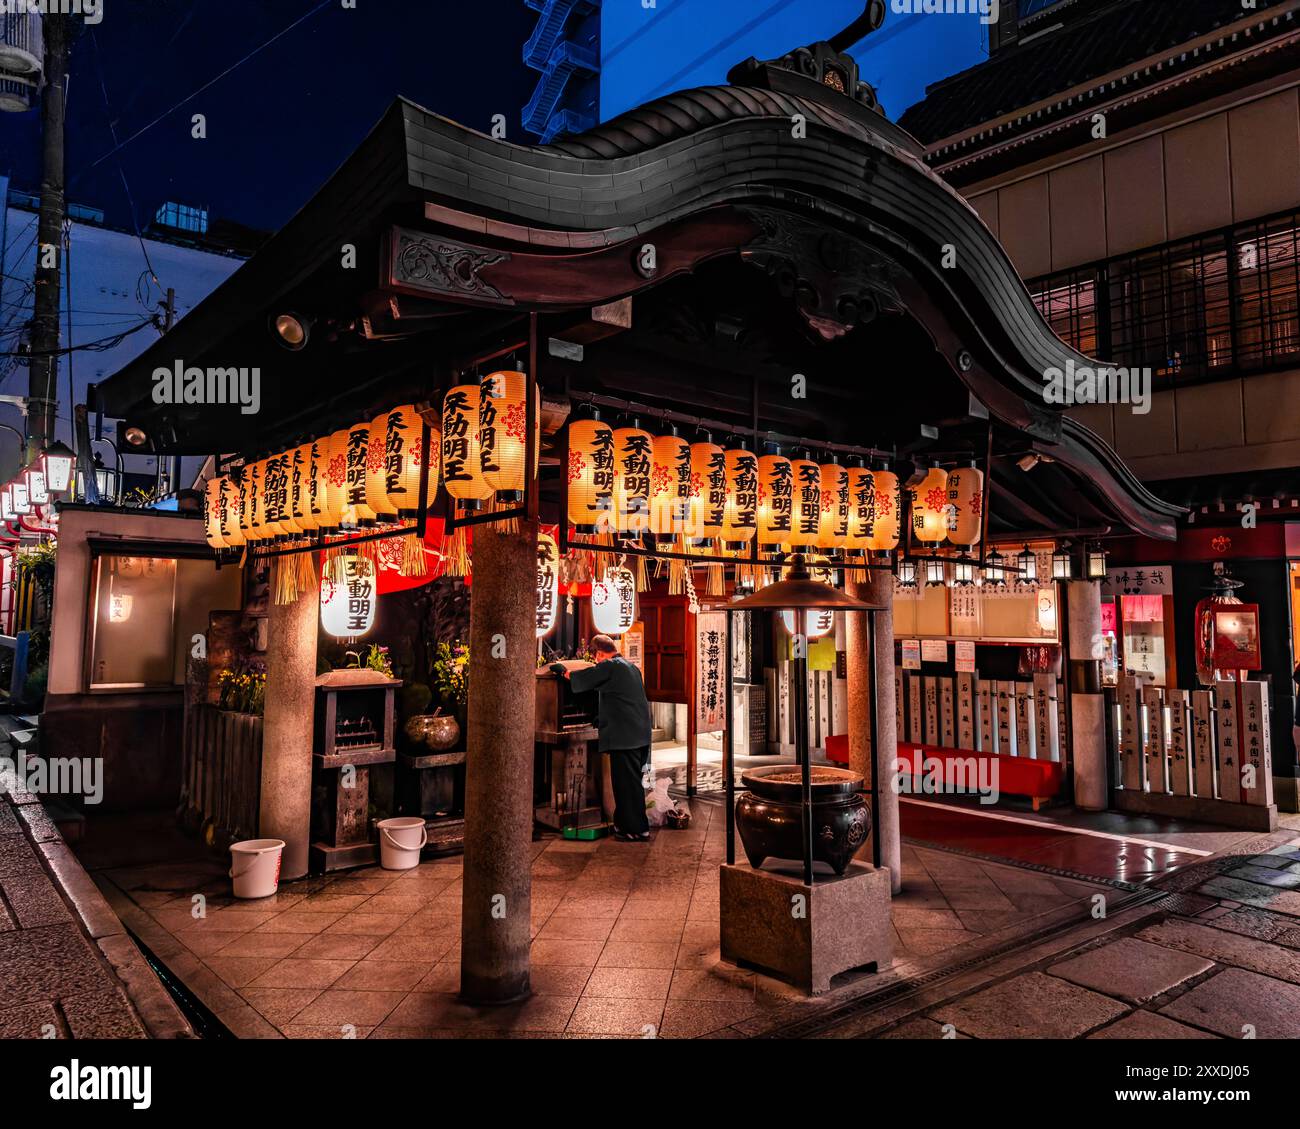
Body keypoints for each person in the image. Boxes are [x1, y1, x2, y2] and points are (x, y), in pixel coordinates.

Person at [554, 636, 653, 841]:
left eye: (596, 656)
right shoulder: (630, 667)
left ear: (600, 653)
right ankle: (637, 826)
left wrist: (563, 671)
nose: (596, 660)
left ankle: (632, 829)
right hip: (639, 734)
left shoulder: (610, 666)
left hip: (625, 737)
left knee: (624, 785)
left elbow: (584, 678)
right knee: (633, 784)